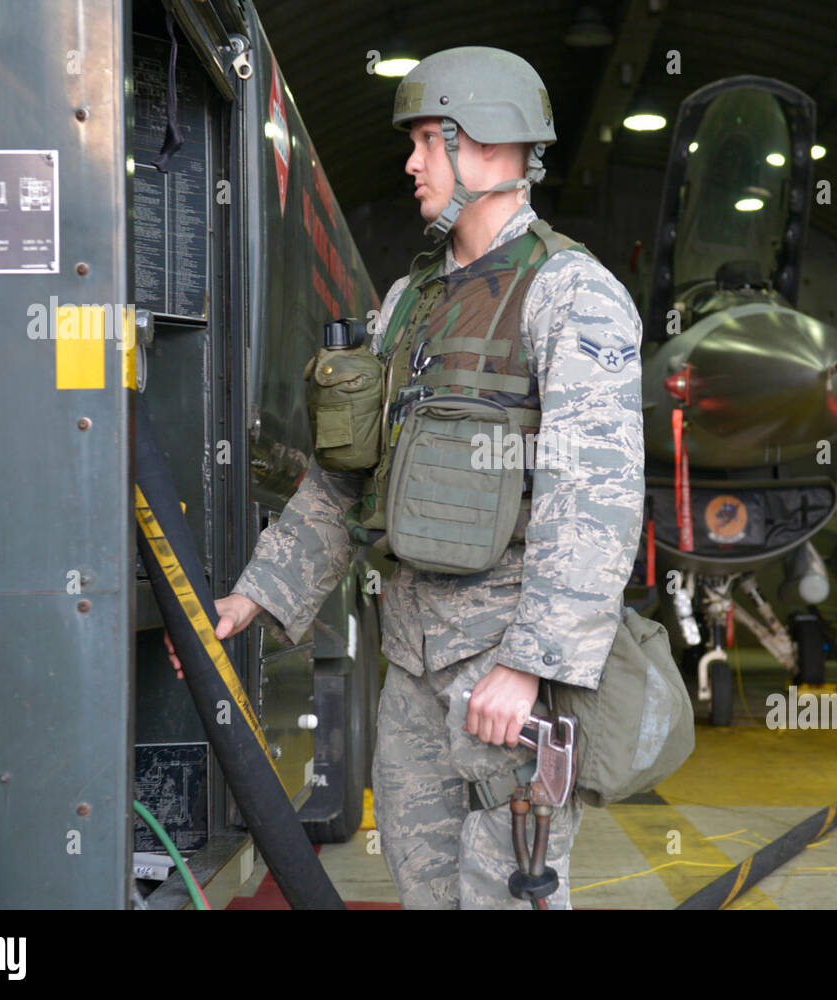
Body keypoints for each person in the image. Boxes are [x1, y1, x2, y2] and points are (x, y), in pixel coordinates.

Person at [166, 45, 643, 908]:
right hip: (414, 661)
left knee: (509, 893)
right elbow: (346, 475)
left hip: (502, 668)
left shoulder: (572, 294)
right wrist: (258, 595)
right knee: (424, 890)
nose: (413, 162)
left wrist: (531, 666)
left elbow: (596, 503)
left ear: (493, 149)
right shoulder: (407, 303)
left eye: (432, 139)